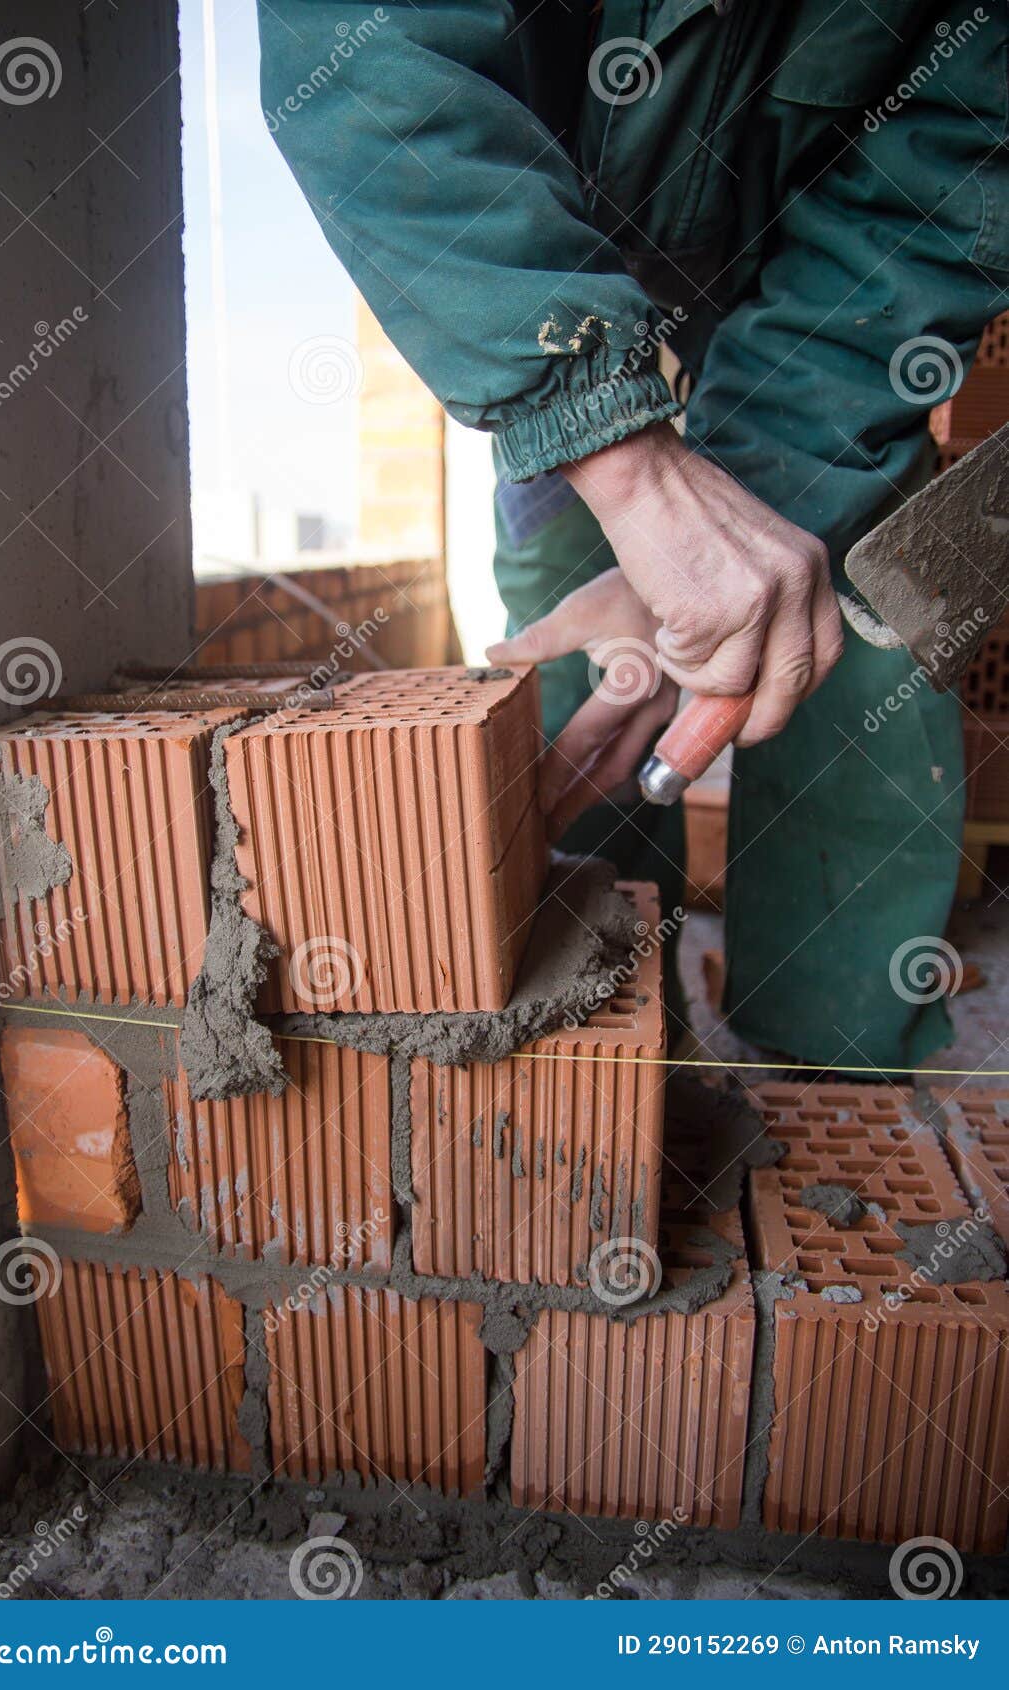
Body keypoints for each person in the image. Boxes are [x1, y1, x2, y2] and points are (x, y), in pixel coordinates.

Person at [258, 0, 1009, 1068]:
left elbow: (942, 186)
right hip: (546, 289)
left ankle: (834, 1060)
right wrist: (603, 439)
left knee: (849, 621)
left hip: (812, 292)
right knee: (574, 660)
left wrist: (764, 489)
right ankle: (604, 1030)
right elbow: (372, 69)